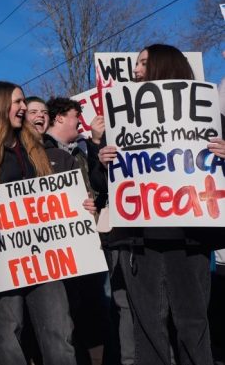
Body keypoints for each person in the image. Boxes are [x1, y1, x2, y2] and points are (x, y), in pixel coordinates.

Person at [87, 44, 225, 365]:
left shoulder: (210, 116)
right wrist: (102, 161)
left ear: (165, 66)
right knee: (148, 325)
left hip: (190, 237)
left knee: (192, 322)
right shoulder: (119, 124)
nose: (136, 71)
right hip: (139, 240)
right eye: (136, 65)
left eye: (144, 64)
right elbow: (100, 186)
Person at [0, 81, 77, 365]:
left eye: (23, 102)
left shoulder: (33, 147)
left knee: (58, 328)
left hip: (42, 253)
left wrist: (80, 205)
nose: (23, 108)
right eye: (17, 102)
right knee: (9, 330)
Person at [41, 98, 109, 364]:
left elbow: (98, 184)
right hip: (58, 248)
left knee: (95, 310)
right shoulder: (39, 151)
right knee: (66, 313)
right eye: (75, 117)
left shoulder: (80, 152)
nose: (80, 123)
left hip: (90, 242)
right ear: (58, 118)